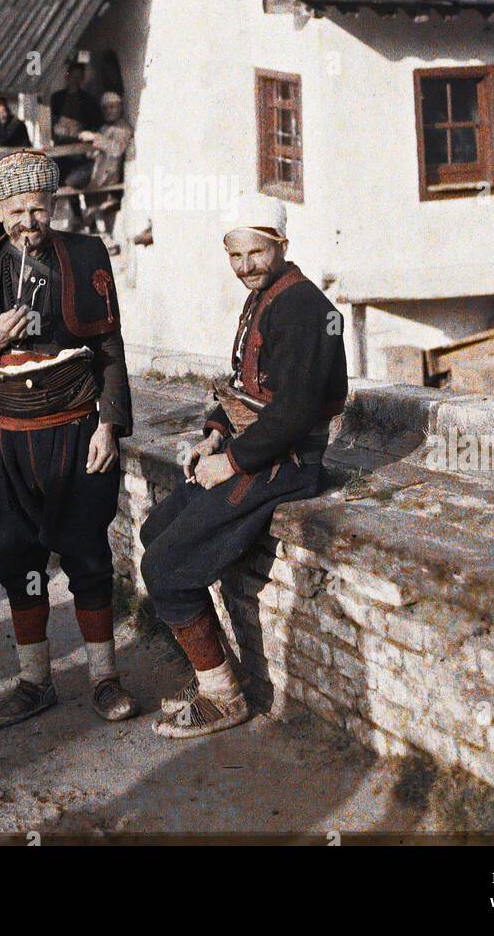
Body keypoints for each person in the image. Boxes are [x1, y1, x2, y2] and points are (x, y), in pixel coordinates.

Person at [0, 149, 137, 728]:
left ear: (53, 206)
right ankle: (35, 682)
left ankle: (105, 678)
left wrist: (109, 424)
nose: (27, 222)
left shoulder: (86, 254)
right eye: (14, 212)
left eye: (37, 209)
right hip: (3, 441)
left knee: (89, 555)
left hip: (77, 431)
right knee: (17, 558)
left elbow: (109, 346)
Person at [140, 196, 347, 738]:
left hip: (287, 463)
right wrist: (213, 435)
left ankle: (225, 697)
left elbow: (296, 411)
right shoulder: (266, 298)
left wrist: (230, 462)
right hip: (254, 448)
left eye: (258, 252)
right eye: (236, 255)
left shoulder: (304, 308)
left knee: (164, 569)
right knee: (154, 530)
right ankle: (211, 671)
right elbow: (243, 386)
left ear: (282, 246)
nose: (247, 265)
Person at [80, 91, 133, 237]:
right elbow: (94, 152)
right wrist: (91, 148)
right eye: (106, 108)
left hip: (110, 173)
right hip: (100, 170)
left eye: (112, 107)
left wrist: (95, 137)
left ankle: (99, 230)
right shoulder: (105, 128)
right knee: (78, 183)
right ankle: (97, 229)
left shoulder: (123, 127)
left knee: (79, 182)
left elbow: (116, 149)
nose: (109, 111)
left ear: (120, 108)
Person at [50, 60, 102, 189]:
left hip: (78, 148)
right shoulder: (57, 98)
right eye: (73, 76)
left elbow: (97, 122)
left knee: (76, 182)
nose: (75, 80)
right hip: (60, 146)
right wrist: (58, 127)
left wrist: (81, 130)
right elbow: (51, 120)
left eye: (79, 77)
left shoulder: (88, 99)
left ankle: (78, 209)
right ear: (67, 76)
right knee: (57, 181)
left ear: (83, 79)